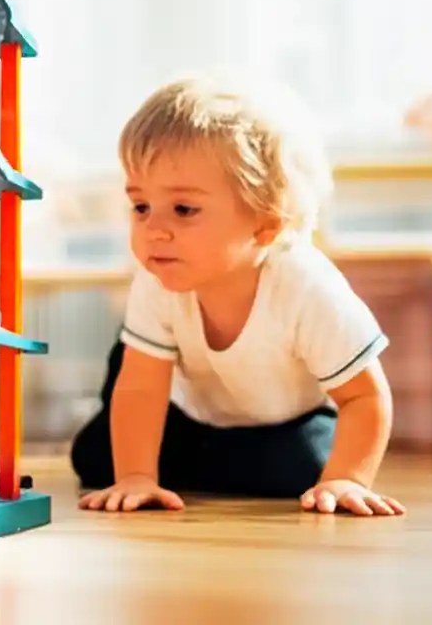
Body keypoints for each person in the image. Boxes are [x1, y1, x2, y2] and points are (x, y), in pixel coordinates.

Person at [71, 75, 406, 517]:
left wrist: (347, 478)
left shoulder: (306, 287)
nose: (154, 230)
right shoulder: (158, 277)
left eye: (184, 209)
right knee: (94, 457)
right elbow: (140, 388)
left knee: (307, 470)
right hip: (189, 413)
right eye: (140, 207)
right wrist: (136, 476)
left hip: (283, 423)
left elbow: (364, 398)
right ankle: (184, 465)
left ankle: (202, 466)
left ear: (266, 224)